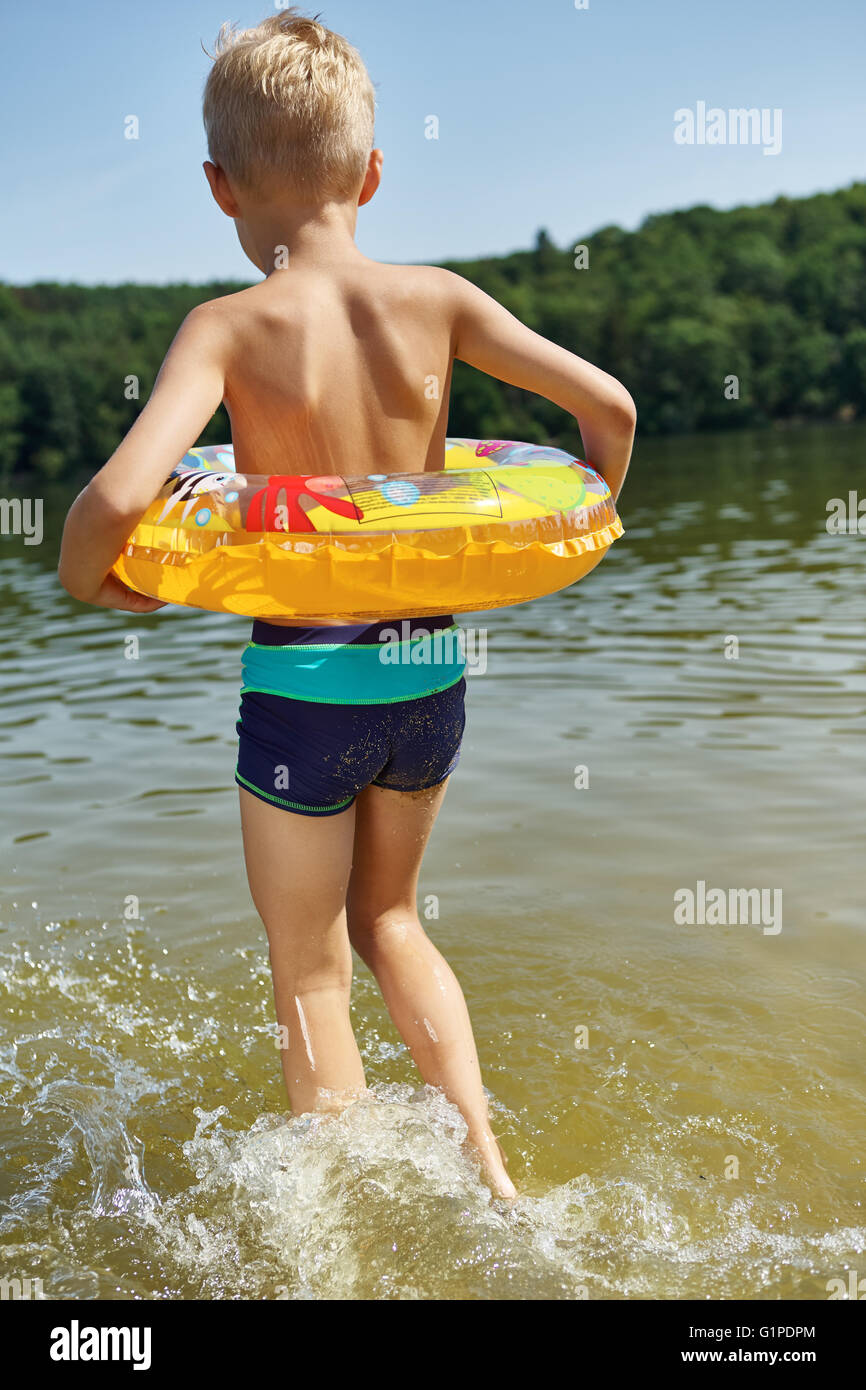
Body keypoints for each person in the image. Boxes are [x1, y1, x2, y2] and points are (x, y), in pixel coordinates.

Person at [57, 9, 635, 1200]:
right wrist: (523, 552)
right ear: (372, 171)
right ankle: (492, 1174)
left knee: (309, 968)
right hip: (429, 676)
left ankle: (340, 1242)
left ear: (218, 187)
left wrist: (103, 587)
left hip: (304, 687)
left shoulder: (227, 326)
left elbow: (115, 497)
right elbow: (610, 413)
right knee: (394, 924)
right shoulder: (438, 300)